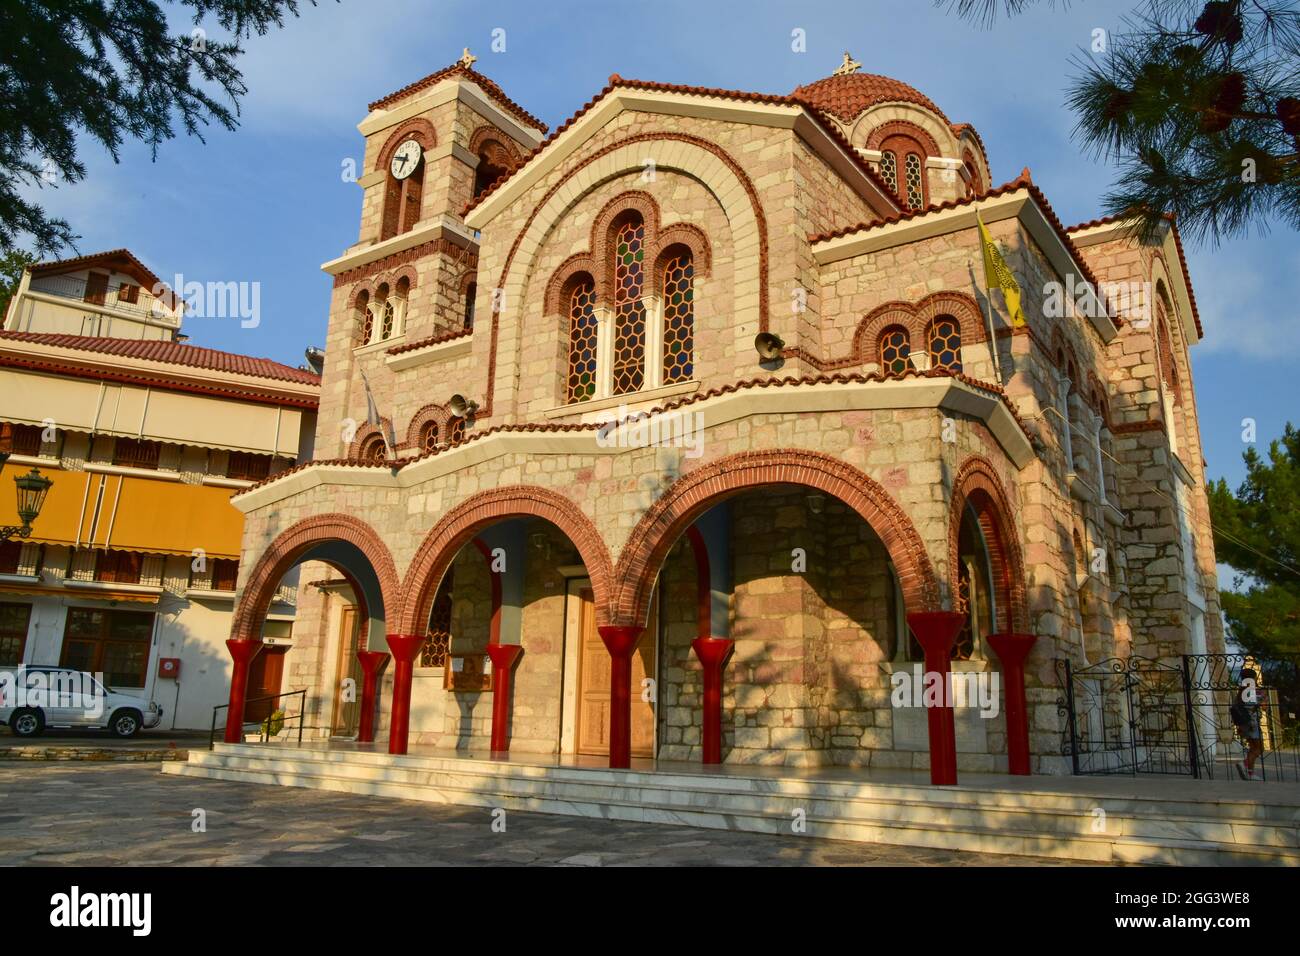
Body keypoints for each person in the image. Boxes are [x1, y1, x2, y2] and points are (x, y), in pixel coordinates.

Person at [1229, 668, 1264, 780]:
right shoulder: (1249, 690)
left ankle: (1250, 772)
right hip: (1251, 723)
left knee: (1253, 747)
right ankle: (1245, 765)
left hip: (1245, 723)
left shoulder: (1242, 690)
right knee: (1258, 748)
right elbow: (1251, 707)